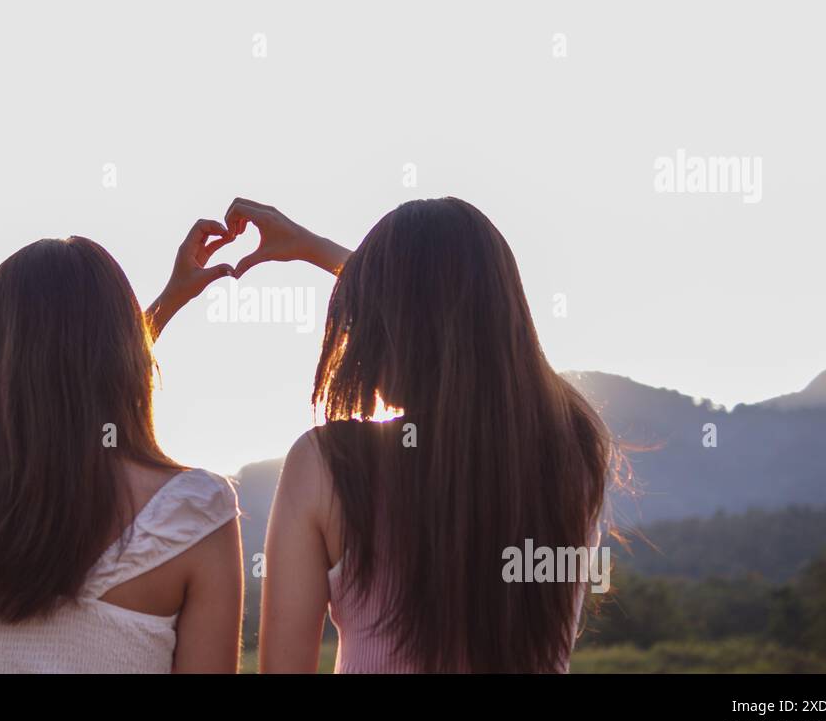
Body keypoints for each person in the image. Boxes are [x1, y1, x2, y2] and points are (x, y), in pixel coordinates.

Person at [239, 197, 613, 673]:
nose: (356, 334)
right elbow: (477, 331)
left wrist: (329, 258)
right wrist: (325, 253)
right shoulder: (570, 450)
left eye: (363, 319)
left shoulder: (327, 464)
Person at [0, 222, 244, 673]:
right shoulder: (191, 514)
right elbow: (88, 380)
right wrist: (148, 319)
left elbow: (53, 389)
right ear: (124, 346)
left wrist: (167, 302)